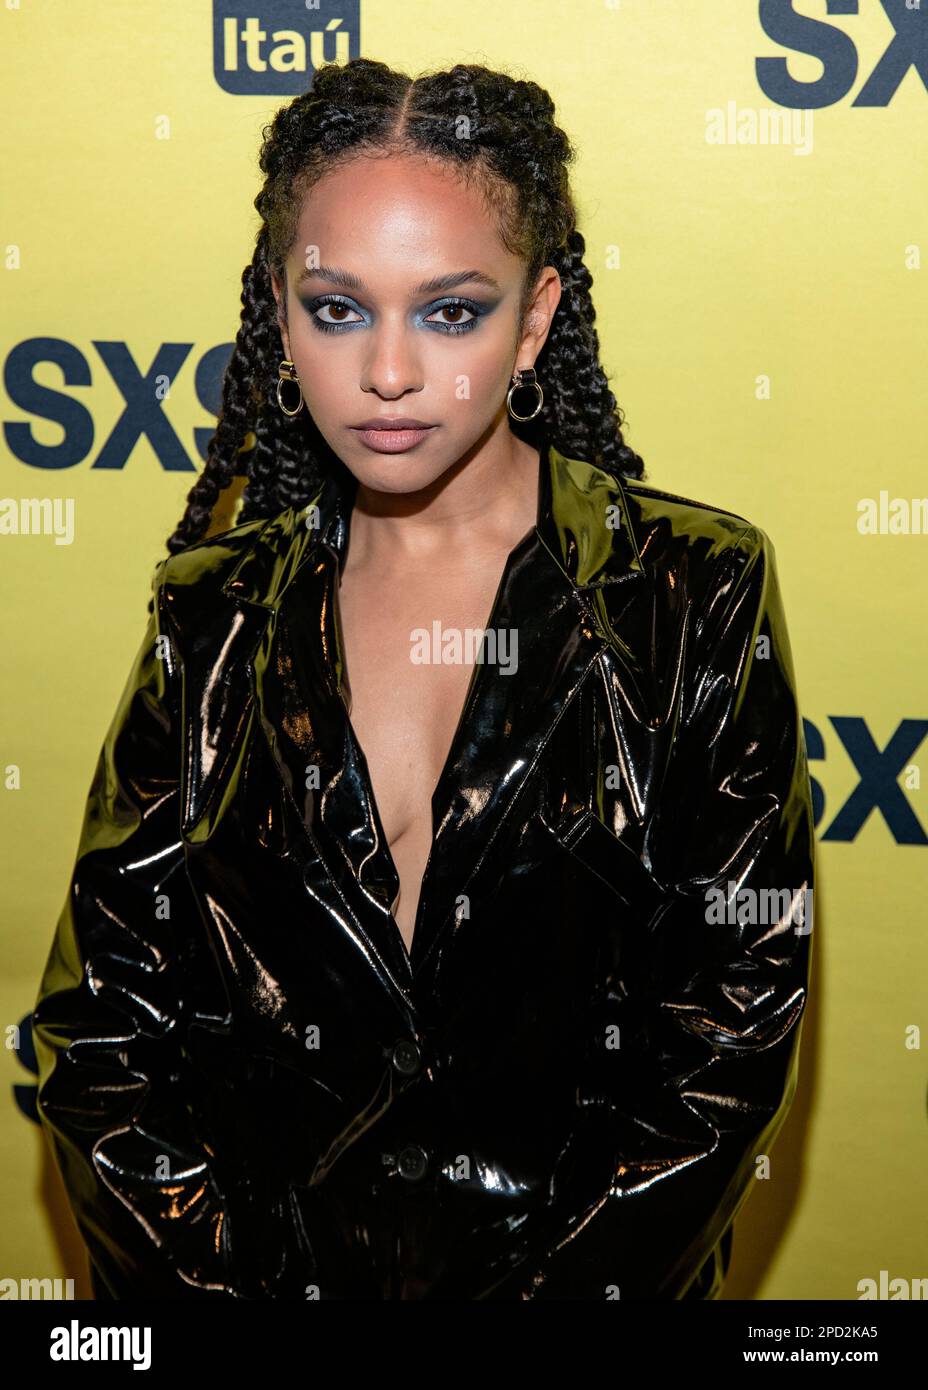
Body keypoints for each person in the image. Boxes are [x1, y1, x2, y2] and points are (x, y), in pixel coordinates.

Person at [32, 57, 815, 1300]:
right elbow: (105, 1033)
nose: (388, 372)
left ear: (537, 317)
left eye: (450, 310)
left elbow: (728, 1025)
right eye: (339, 307)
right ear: (278, 315)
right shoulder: (215, 609)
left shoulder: (690, 592)